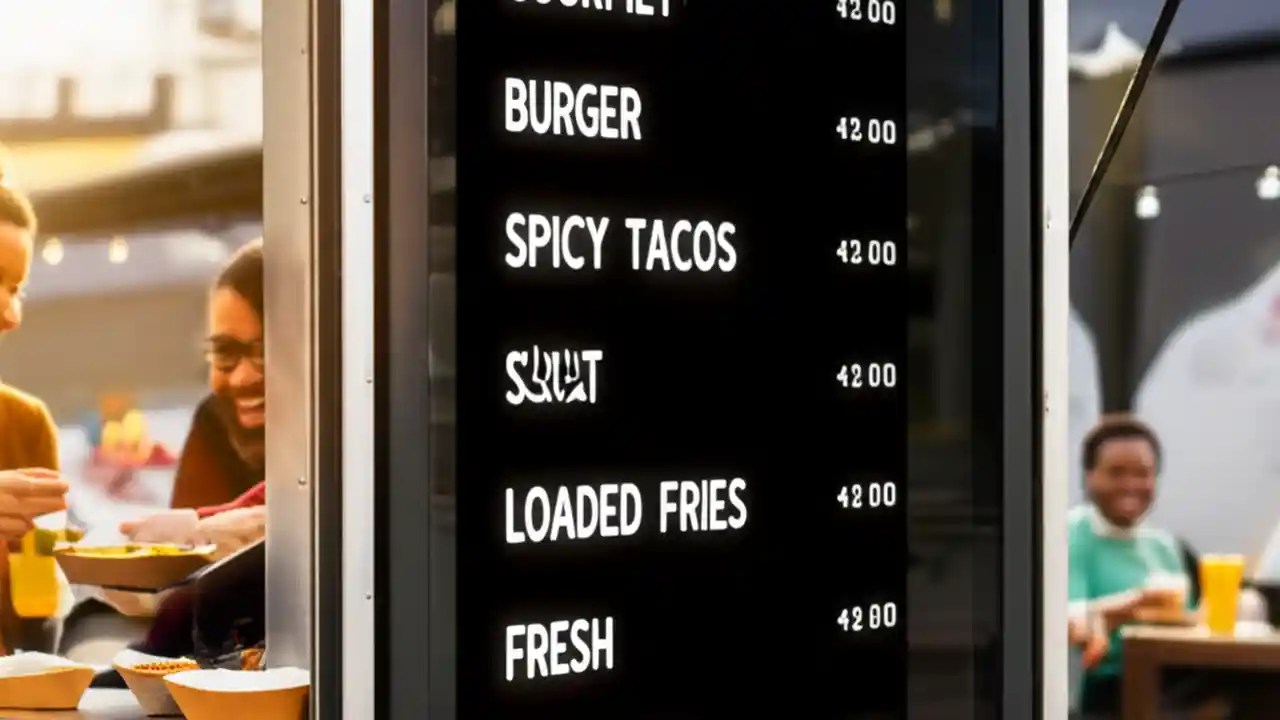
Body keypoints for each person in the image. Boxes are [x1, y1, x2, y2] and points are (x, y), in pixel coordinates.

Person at [1068, 415, 1210, 717]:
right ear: (1089, 476)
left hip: (1173, 678)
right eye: (1116, 473)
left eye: (1143, 473)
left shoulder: (1163, 544)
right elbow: (1069, 620)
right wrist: (1136, 604)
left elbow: (1190, 622)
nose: (1131, 484)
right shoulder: (1072, 533)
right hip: (1104, 685)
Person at [0, 171, 70, 654]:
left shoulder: (26, 424)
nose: (11, 314)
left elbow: (38, 605)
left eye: (17, 289)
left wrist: (62, 556)